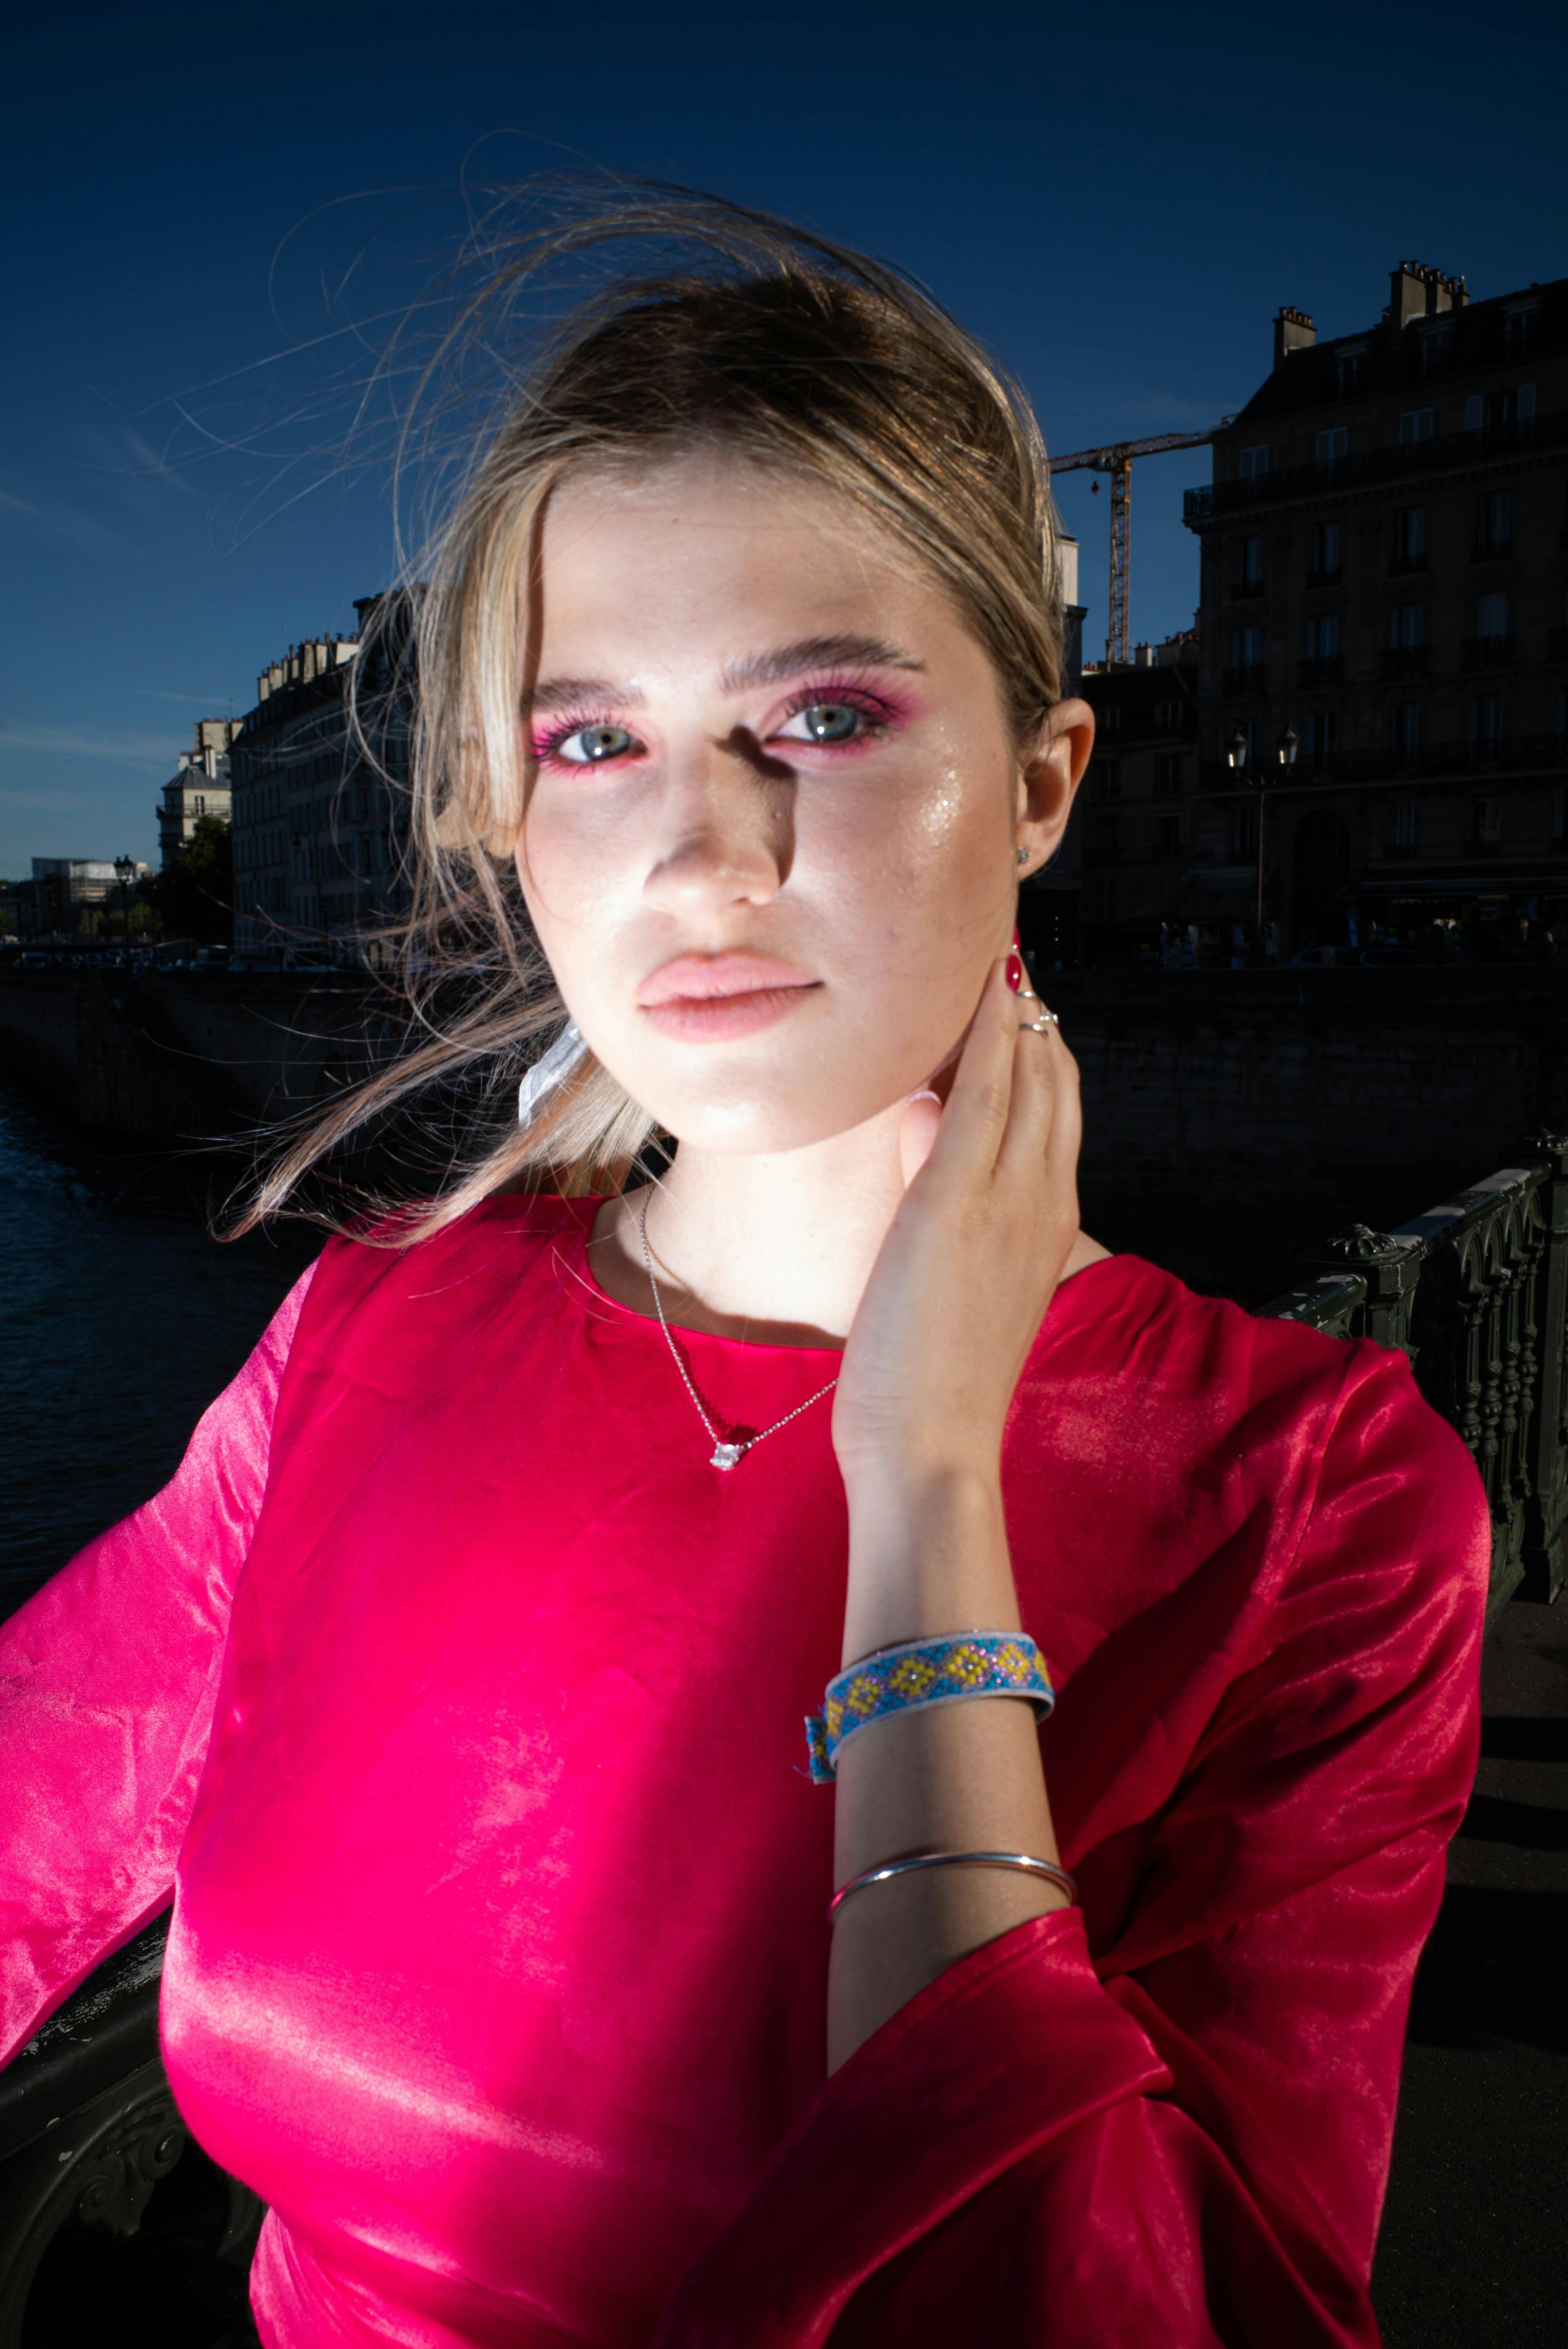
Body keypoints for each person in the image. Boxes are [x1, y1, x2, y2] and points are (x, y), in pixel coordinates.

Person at [0, 193, 1488, 2349]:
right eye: (594, 741)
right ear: (512, 816)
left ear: (1047, 785)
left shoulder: (1317, 1506)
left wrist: (928, 1498)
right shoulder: (376, 1331)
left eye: (822, 719)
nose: (704, 854)